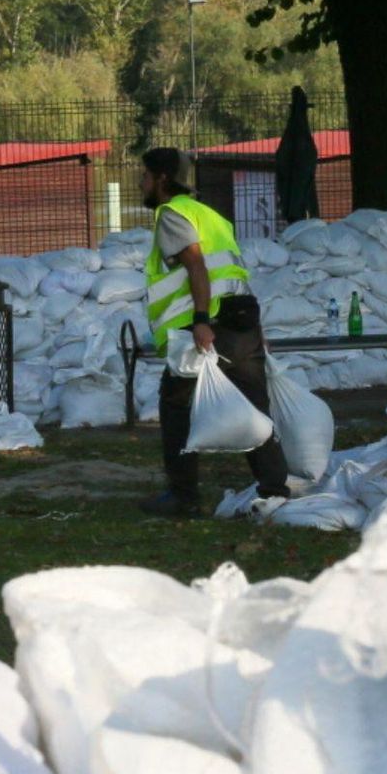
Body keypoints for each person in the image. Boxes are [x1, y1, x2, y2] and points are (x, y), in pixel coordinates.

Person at [137, 146, 290, 518]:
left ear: (161, 178)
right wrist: (258, 331)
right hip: (241, 320)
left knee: (177, 406)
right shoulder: (210, 215)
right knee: (254, 406)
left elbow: (196, 265)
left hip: (206, 328)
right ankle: (274, 490)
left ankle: (183, 496)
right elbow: (233, 273)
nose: (139, 183)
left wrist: (202, 320)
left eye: (143, 175)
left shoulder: (171, 214)